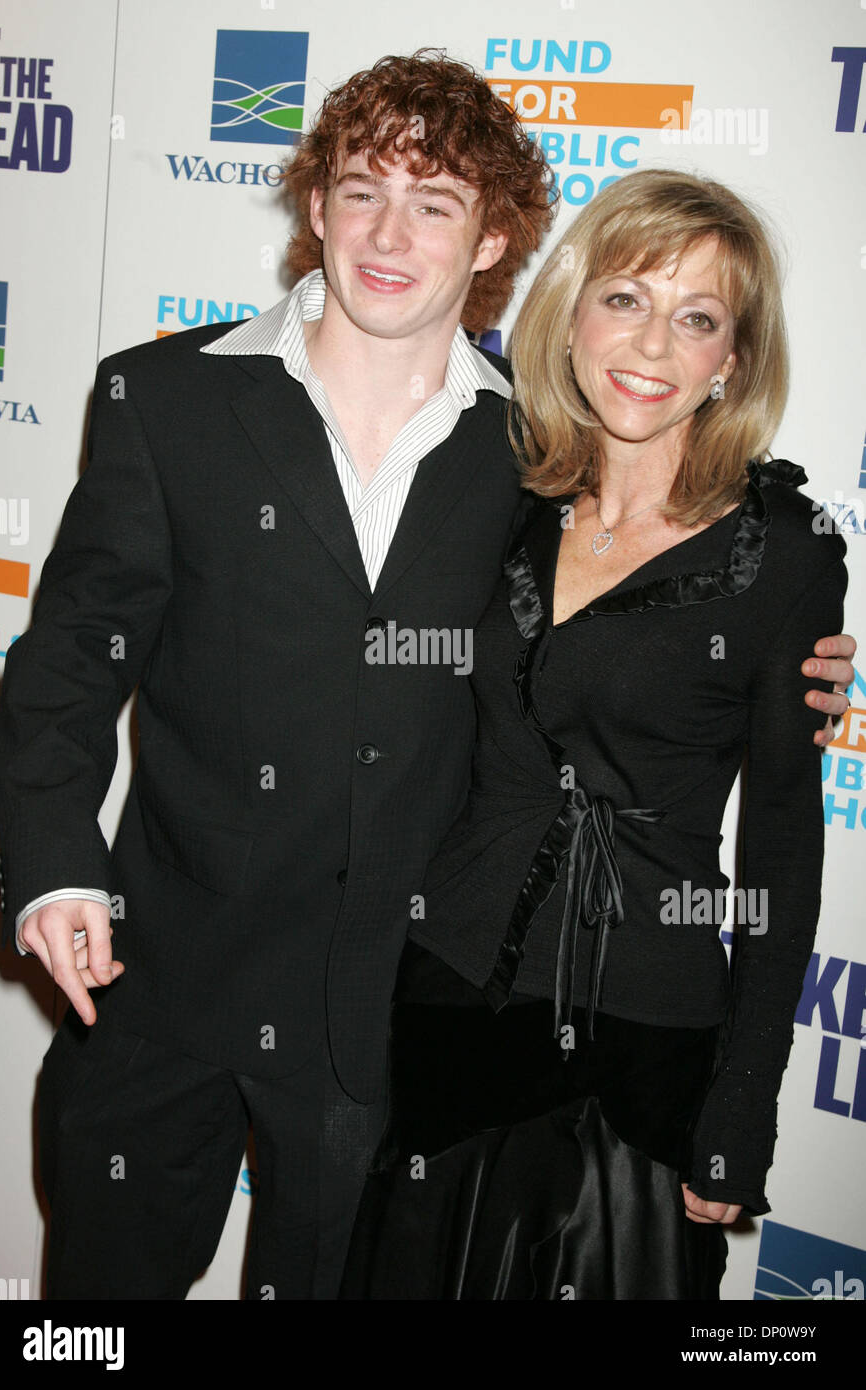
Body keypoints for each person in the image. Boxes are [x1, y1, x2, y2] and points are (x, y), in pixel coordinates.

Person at [0, 55, 852, 1301]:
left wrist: (794, 657)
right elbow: (71, 653)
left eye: (435, 201)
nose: (389, 234)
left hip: (385, 1024)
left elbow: (660, 601)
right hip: (158, 982)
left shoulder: (535, 449)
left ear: (493, 235)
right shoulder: (165, 397)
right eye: (360, 191)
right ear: (314, 207)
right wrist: (57, 856)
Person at [340, 168, 850, 1300]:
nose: (652, 345)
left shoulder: (785, 554)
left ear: (731, 360)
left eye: (697, 318)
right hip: (443, 1013)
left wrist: (741, 1103)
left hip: (640, 1043)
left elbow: (780, 845)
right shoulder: (497, 499)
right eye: (625, 298)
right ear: (569, 315)